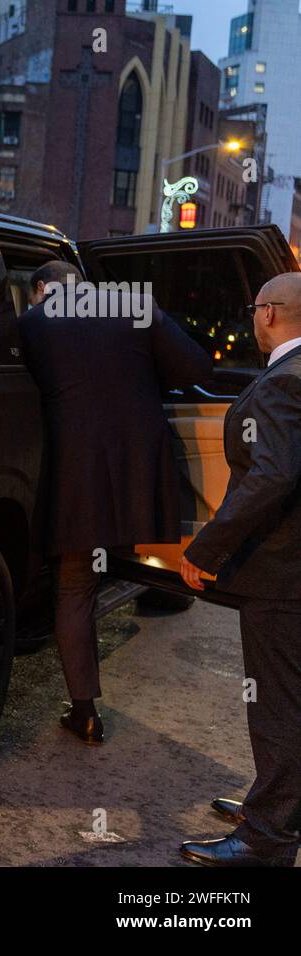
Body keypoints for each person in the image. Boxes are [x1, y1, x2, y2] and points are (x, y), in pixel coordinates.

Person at [17, 260, 211, 743]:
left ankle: (85, 712)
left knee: (74, 588)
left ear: (41, 289)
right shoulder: (136, 308)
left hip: (74, 476)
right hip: (140, 474)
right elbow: (196, 367)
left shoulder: (31, 324)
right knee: (149, 558)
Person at [179, 272, 301, 867]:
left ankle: (267, 841)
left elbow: (272, 477)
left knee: (279, 706)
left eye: (254, 309)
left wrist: (206, 547)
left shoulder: (285, 384)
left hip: (284, 574)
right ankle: (277, 808)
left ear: (271, 314)